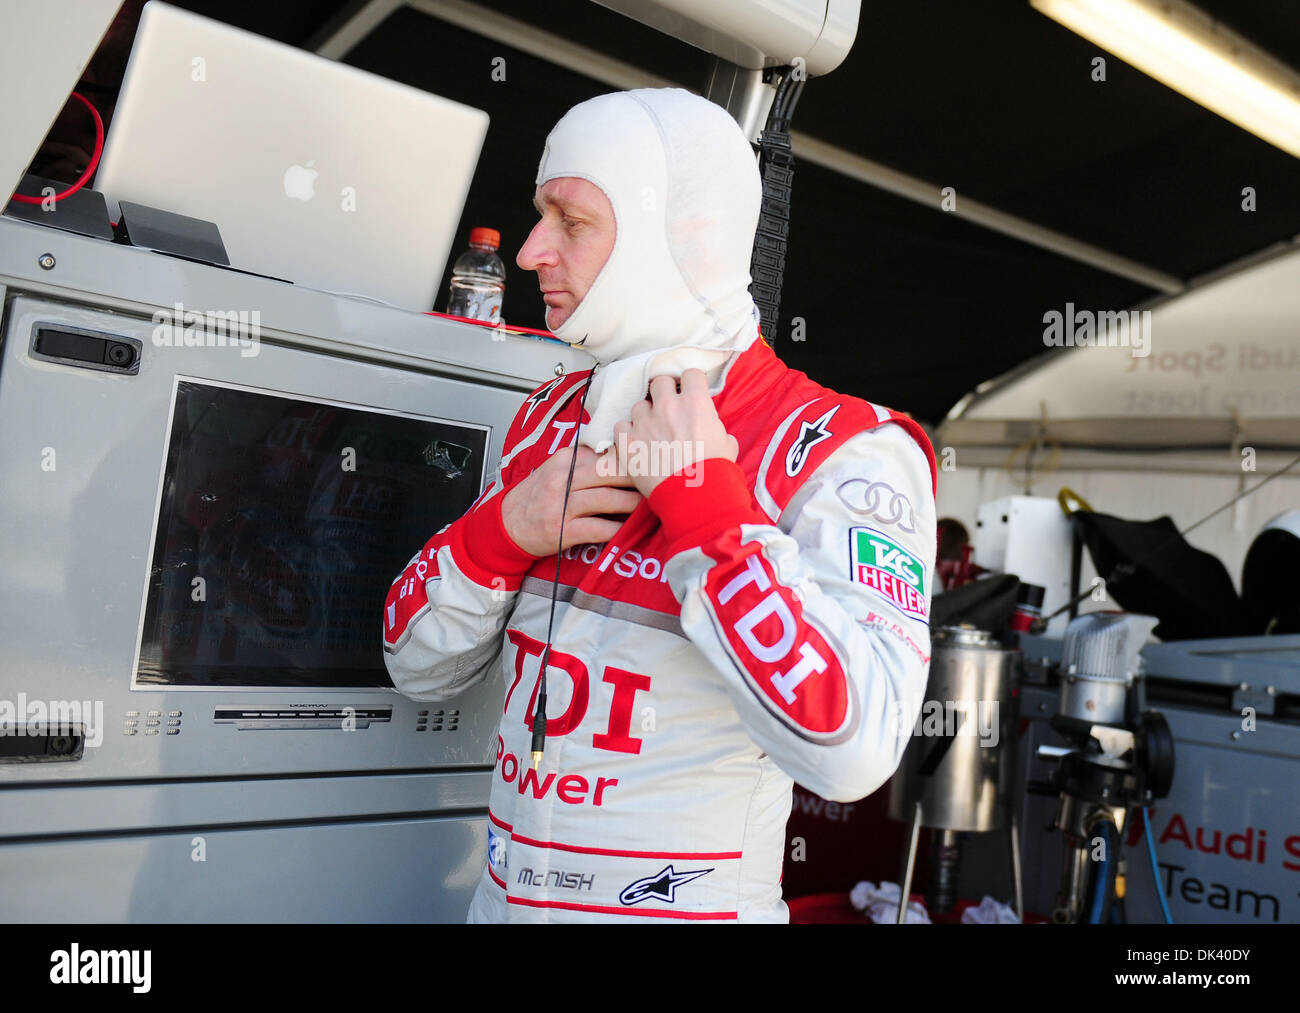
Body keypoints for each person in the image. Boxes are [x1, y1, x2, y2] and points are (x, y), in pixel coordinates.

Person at [383, 87, 937, 923]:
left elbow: (856, 745)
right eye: (540, 216)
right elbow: (413, 665)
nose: (532, 250)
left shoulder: (844, 446)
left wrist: (708, 516)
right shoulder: (547, 416)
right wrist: (502, 533)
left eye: (571, 221)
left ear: (675, 238)